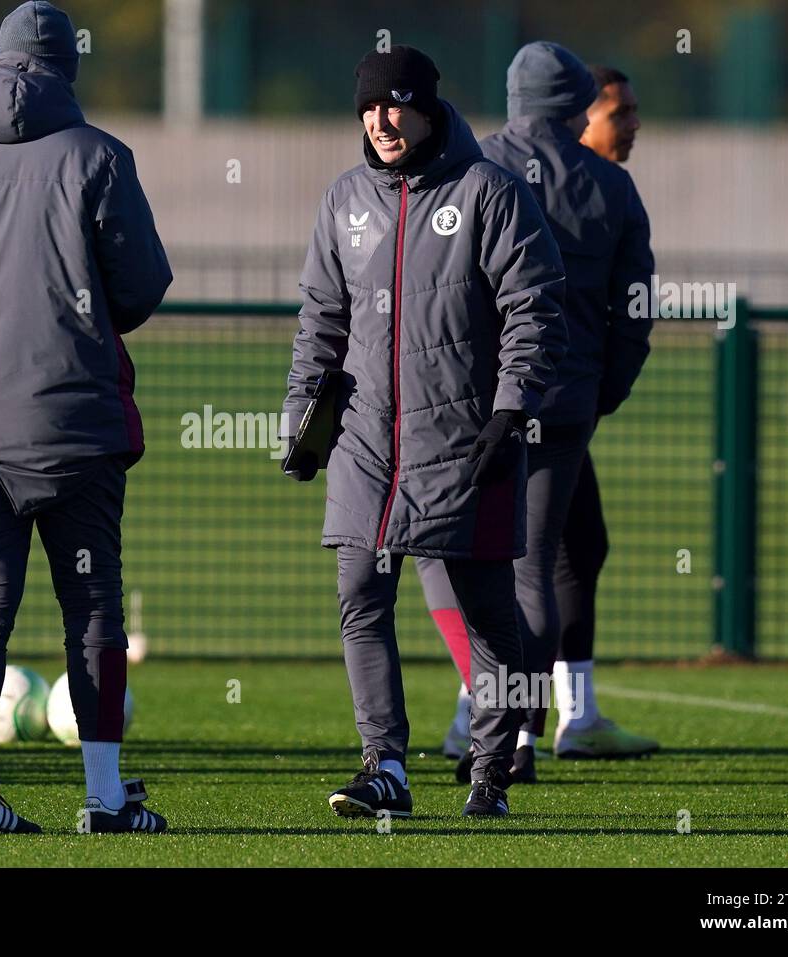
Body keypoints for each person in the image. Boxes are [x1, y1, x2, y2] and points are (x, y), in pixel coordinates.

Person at [0, 1, 172, 835]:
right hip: (73, 426)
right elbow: (139, 289)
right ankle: (104, 795)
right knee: (92, 608)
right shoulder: (98, 157)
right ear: (66, 65)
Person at [282, 45, 568, 818]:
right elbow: (321, 320)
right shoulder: (344, 200)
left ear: (429, 107)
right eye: (369, 107)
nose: (381, 120)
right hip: (365, 446)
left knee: (486, 609)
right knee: (361, 594)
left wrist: (511, 406)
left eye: (396, 104)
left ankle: (492, 762)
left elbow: (533, 307)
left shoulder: (489, 193)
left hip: (465, 443)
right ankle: (386, 767)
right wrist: (301, 422)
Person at [417, 44, 657, 784]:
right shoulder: (613, 186)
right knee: (539, 568)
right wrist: (599, 393)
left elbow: (433, 287)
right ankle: (517, 736)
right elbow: (636, 310)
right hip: (564, 403)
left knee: (444, 552)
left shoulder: (470, 168)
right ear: (576, 101)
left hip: (474, 400)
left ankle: (486, 716)